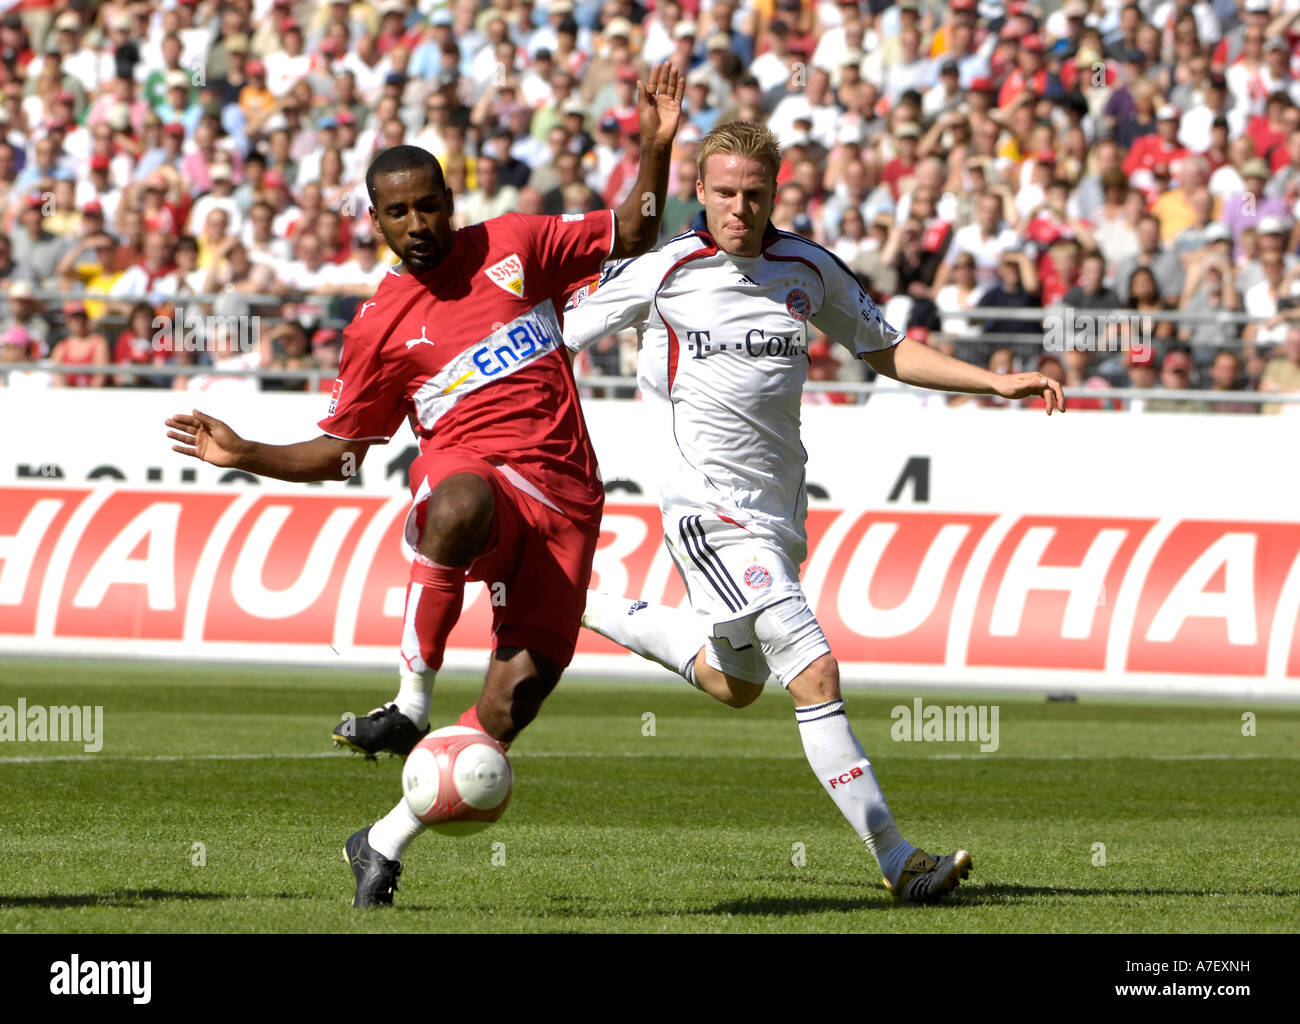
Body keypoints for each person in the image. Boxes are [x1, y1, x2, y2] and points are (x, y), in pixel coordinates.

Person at [166, 64, 684, 909]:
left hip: (568, 505)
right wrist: (248, 452)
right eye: (398, 211)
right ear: (373, 220)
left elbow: (637, 230)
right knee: (460, 501)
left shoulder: (516, 244)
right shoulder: (377, 326)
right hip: (474, 478)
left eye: (430, 204)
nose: (418, 223)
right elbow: (345, 455)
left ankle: (377, 842)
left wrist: (655, 147)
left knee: (509, 710)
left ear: (450, 199)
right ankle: (409, 701)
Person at [562, 121, 1064, 905]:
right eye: (724, 193)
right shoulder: (663, 271)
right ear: (700, 191)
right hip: (705, 512)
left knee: (736, 684)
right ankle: (899, 860)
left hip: (776, 518)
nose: (739, 209)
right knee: (815, 669)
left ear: (776, 192)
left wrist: (992, 384)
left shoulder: (807, 268)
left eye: (754, 194)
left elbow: (886, 349)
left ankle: (573, 601)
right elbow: (557, 336)